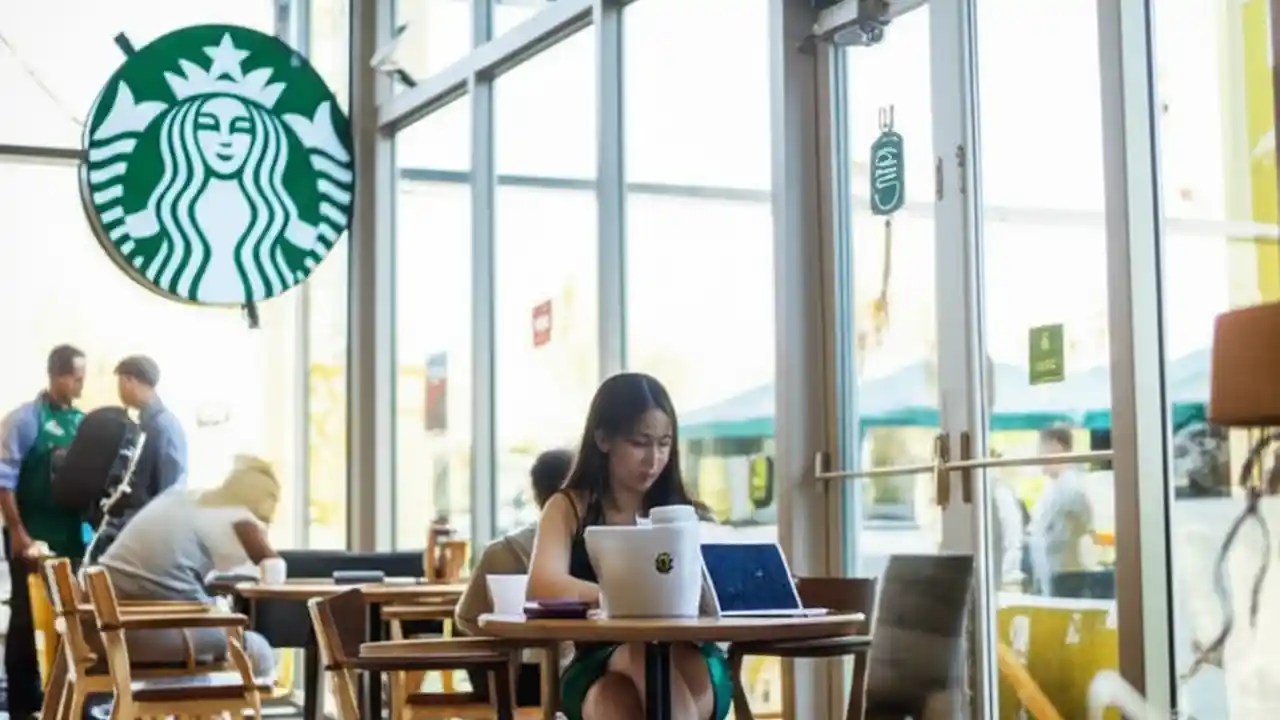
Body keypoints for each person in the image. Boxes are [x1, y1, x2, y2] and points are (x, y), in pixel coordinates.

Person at [527, 373, 730, 720]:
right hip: (596, 658)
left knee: (635, 672)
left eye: (664, 444)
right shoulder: (569, 508)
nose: (653, 459)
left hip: (688, 653)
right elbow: (541, 584)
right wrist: (617, 600)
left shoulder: (685, 514)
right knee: (626, 674)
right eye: (640, 443)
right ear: (603, 438)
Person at [97, 455, 280, 677]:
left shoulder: (180, 497)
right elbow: (273, 569)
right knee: (261, 651)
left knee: (224, 627)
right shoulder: (238, 517)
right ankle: (211, 707)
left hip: (105, 630)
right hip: (151, 635)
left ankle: (198, 709)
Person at [0, 344, 87, 717]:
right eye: (77, 377)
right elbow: (4, 481)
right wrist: (18, 532)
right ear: (58, 376)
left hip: (72, 537)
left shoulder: (83, 422)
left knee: (71, 619)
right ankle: (22, 703)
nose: (81, 384)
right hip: (31, 536)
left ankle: (66, 696)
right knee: (25, 616)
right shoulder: (24, 420)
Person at [456, 448, 574, 706]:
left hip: (507, 678)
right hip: (568, 677)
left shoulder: (501, 551)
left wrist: (510, 636)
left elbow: (466, 618)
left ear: (535, 495)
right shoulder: (596, 548)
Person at [96, 355, 188, 550]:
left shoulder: (164, 427)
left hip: (151, 534)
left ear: (130, 381)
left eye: (120, 383)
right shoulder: (146, 425)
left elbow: (171, 490)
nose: (119, 390)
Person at [1026, 426, 1095, 596]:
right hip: (1051, 574)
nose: (1038, 456)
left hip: (1067, 574)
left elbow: (1083, 527)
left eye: (1041, 449)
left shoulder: (1072, 489)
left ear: (1055, 448)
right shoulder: (1051, 488)